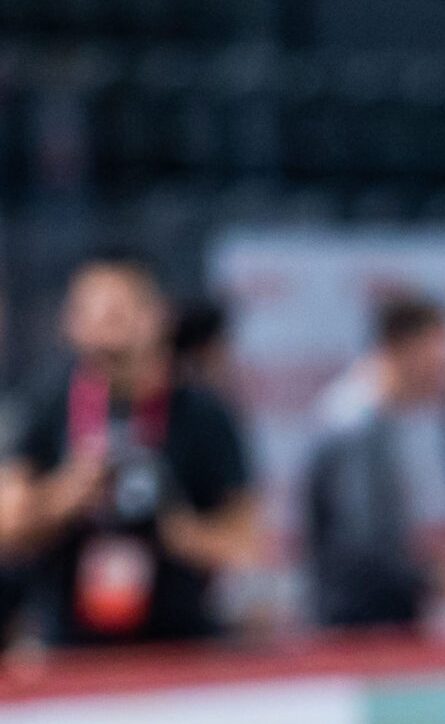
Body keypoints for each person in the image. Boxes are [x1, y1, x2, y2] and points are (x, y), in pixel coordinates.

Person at [0, 255, 258, 644]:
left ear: (158, 315)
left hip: (177, 645)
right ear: (70, 320)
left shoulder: (203, 415)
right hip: (70, 646)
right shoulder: (45, 405)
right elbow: (7, 527)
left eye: (119, 311)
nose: (105, 328)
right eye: (92, 311)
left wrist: (176, 530)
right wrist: (66, 495)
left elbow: (249, 542)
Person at [306, 293, 445, 630]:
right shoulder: (355, 420)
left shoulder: (389, 415)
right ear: (407, 347)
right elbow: (360, 541)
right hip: (359, 621)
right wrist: (429, 577)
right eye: (441, 348)